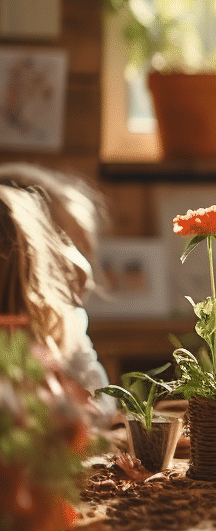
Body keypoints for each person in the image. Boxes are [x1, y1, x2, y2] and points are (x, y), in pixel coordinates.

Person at [0, 164, 110, 409]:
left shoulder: (65, 324)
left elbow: (100, 403)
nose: (81, 266)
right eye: (61, 242)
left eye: (83, 249)